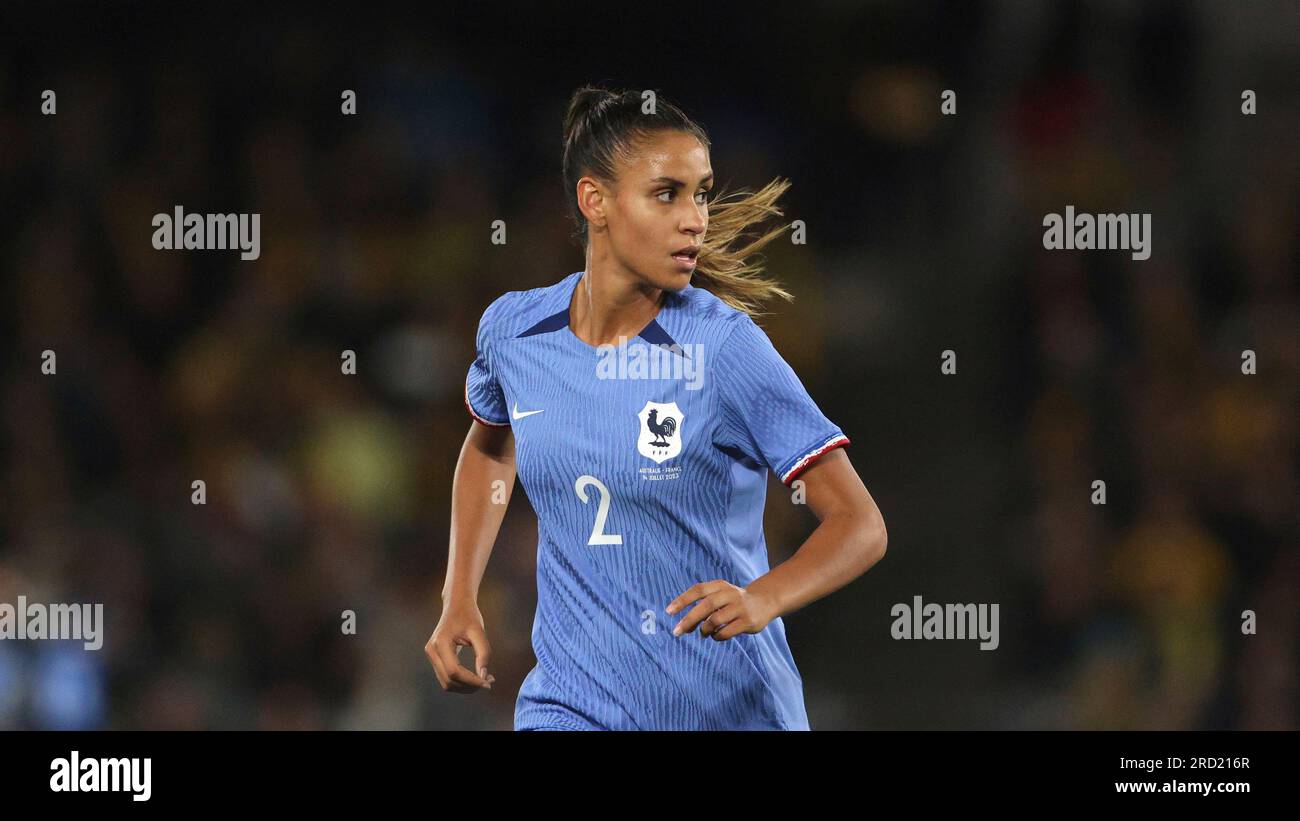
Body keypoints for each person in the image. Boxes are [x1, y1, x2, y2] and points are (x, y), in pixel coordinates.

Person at [425, 85, 887, 730]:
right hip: (572, 703)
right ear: (595, 201)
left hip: (723, 708)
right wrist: (459, 595)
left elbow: (859, 523)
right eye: (667, 194)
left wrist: (764, 597)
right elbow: (490, 448)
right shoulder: (515, 332)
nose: (695, 218)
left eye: (702, 193)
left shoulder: (723, 348)